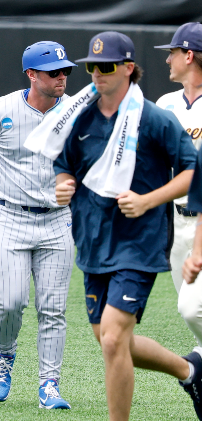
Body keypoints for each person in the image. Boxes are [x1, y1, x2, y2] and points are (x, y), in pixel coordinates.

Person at [50, 31, 202, 421]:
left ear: (128, 69)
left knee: (118, 336)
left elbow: (193, 172)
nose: (97, 74)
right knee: (110, 341)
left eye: (106, 67)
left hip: (140, 243)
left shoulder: (153, 118)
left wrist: (149, 201)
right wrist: (62, 186)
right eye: (92, 67)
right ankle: (191, 372)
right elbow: (64, 166)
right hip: (94, 242)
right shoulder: (81, 118)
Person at [0, 41, 76, 408]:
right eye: (53, 72)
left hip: (58, 221)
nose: (61, 77)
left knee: (53, 307)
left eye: (65, 71)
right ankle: (3, 358)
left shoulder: (76, 111)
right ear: (31, 74)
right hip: (10, 216)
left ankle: (49, 385)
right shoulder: (1, 110)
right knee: (10, 302)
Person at [154, 23, 202, 346]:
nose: (167, 60)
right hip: (176, 224)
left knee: (190, 308)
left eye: (171, 53)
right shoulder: (164, 104)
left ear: (188, 54)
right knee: (191, 307)